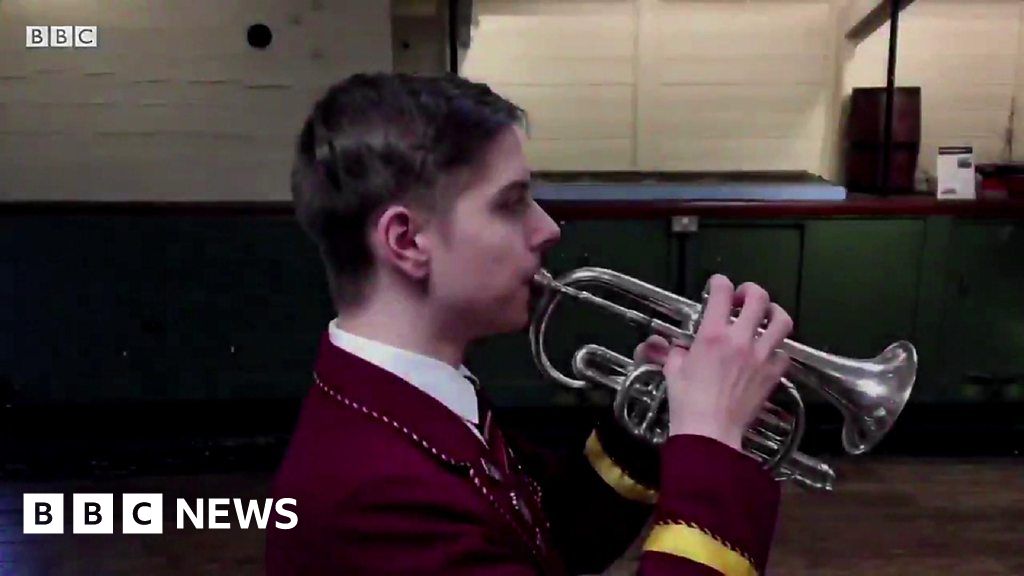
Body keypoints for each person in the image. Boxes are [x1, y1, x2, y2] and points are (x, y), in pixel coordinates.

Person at [264, 72, 793, 576]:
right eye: (511, 203)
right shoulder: (373, 500)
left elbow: (545, 541)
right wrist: (711, 440)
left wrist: (651, 420)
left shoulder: (415, 395)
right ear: (407, 241)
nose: (547, 228)